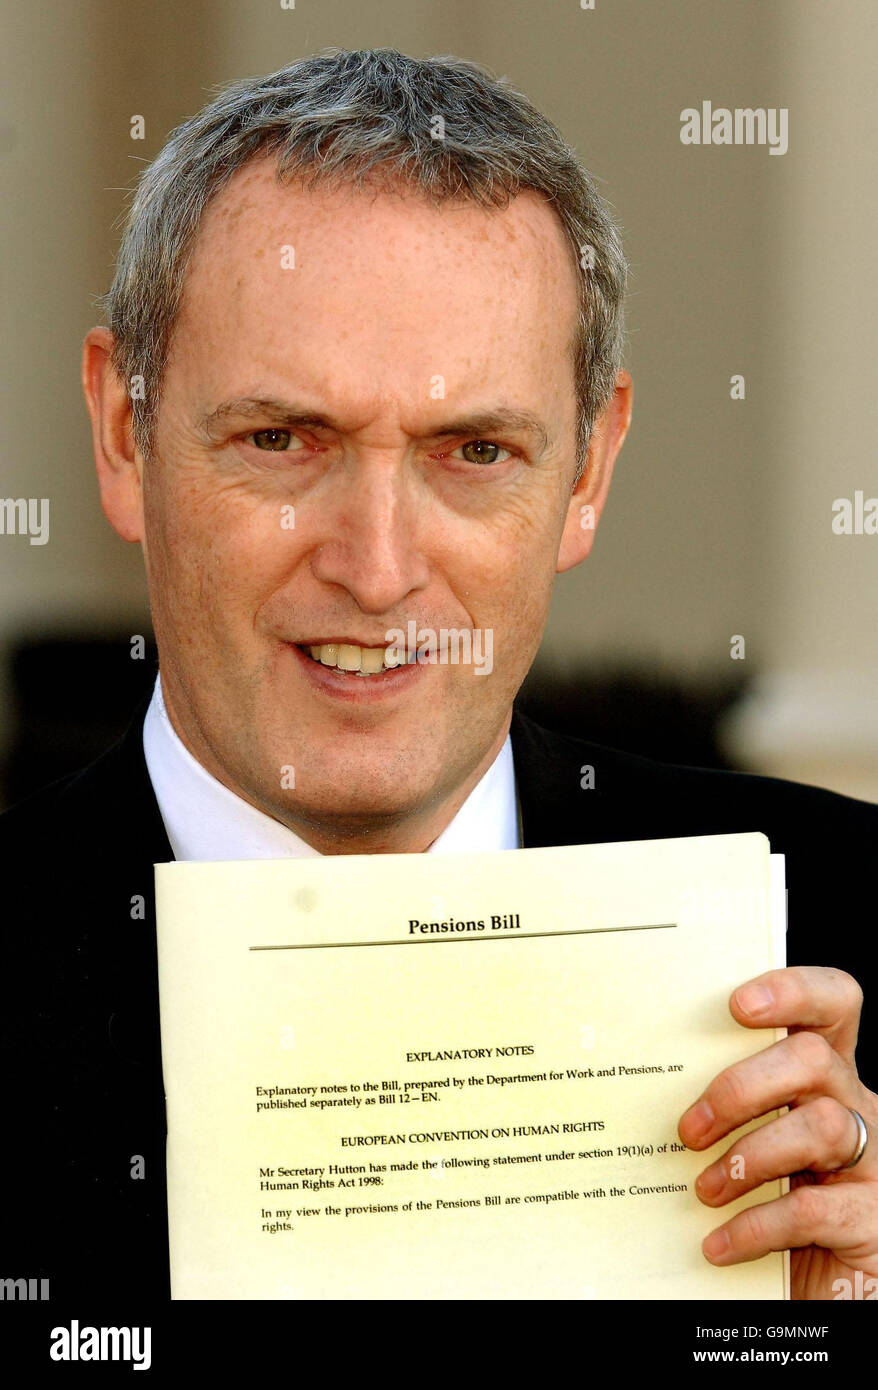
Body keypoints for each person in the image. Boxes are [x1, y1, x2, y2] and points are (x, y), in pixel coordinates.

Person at [2, 48, 876, 1303]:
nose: (375, 566)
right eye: (282, 439)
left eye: (472, 449)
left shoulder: (852, 937)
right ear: (121, 432)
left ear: (586, 471)